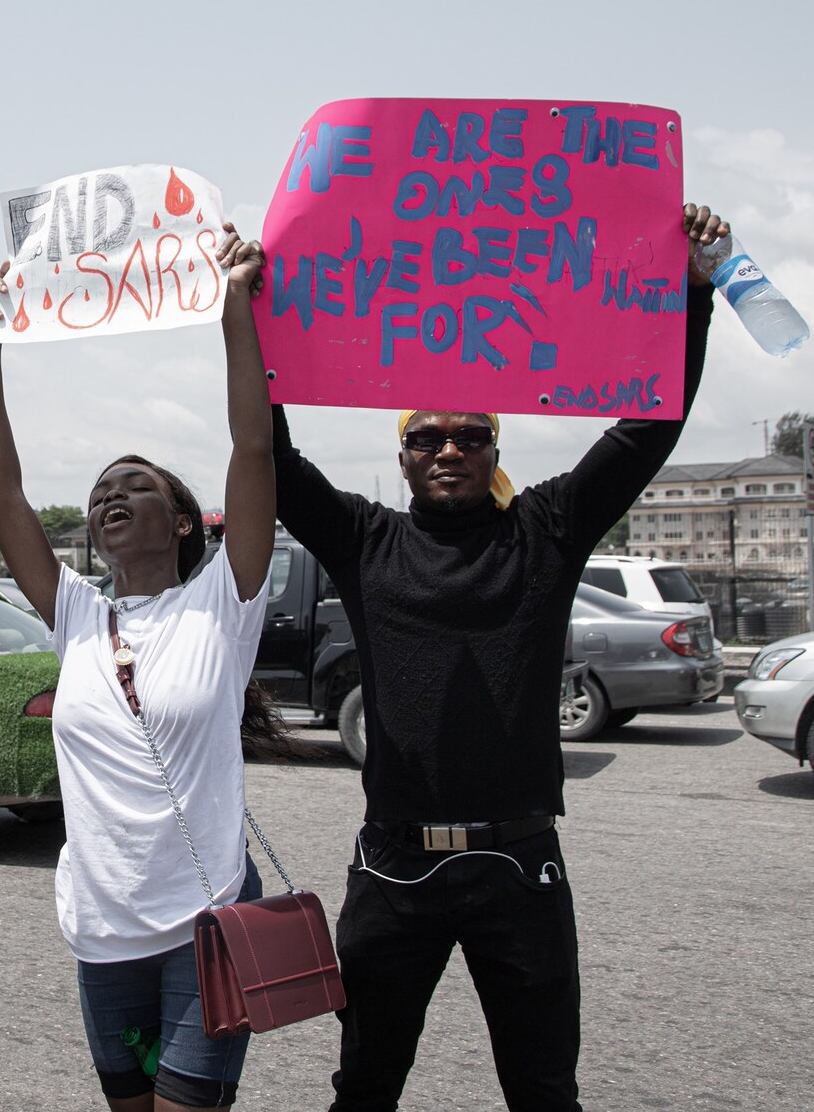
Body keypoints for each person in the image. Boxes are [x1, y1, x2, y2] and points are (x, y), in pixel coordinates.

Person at [265, 205, 729, 1112]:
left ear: (495, 450)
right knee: (364, 1087)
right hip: (395, 868)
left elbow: (647, 429)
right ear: (400, 455)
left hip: (521, 867)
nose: (449, 450)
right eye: (428, 437)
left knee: (545, 1091)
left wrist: (692, 294)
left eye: (471, 436)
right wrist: (251, 326)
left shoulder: (546, 530)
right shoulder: (363, 539)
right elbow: (270, 459)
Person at [0, 227, 276, 1112]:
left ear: (183, 522)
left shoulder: (225, 600)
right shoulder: (78, 616)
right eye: (101, 489)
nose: (110, 494)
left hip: (207, 922)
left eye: (134, 483)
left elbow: (253, 453)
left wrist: (233, 308)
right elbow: (2, 492)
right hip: (101, 933)